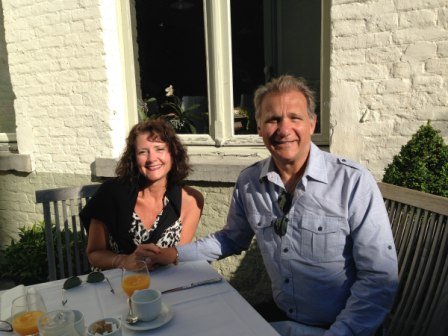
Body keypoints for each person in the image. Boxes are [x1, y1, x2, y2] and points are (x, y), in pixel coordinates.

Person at [144, 75, 399, 336]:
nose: (283, 129)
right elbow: (231, 238)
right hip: (283, 319)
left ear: (312, 123)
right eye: (273, 119)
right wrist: (174, 254)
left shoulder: (352, 182)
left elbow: (378, 279)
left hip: (343, 326)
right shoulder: (249, 182)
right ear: (259, 128)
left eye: (294, 118)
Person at [80, 119, 204, 271]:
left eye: (159, 149)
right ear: (133, 158)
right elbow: (94, 254)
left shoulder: (191, 200)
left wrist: (170, 256)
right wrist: (124, 261)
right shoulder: (110, 194)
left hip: (165, 284)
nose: (152, 159)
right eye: (143, 152)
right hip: (116, 284)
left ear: (173, 153)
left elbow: (180, 256)